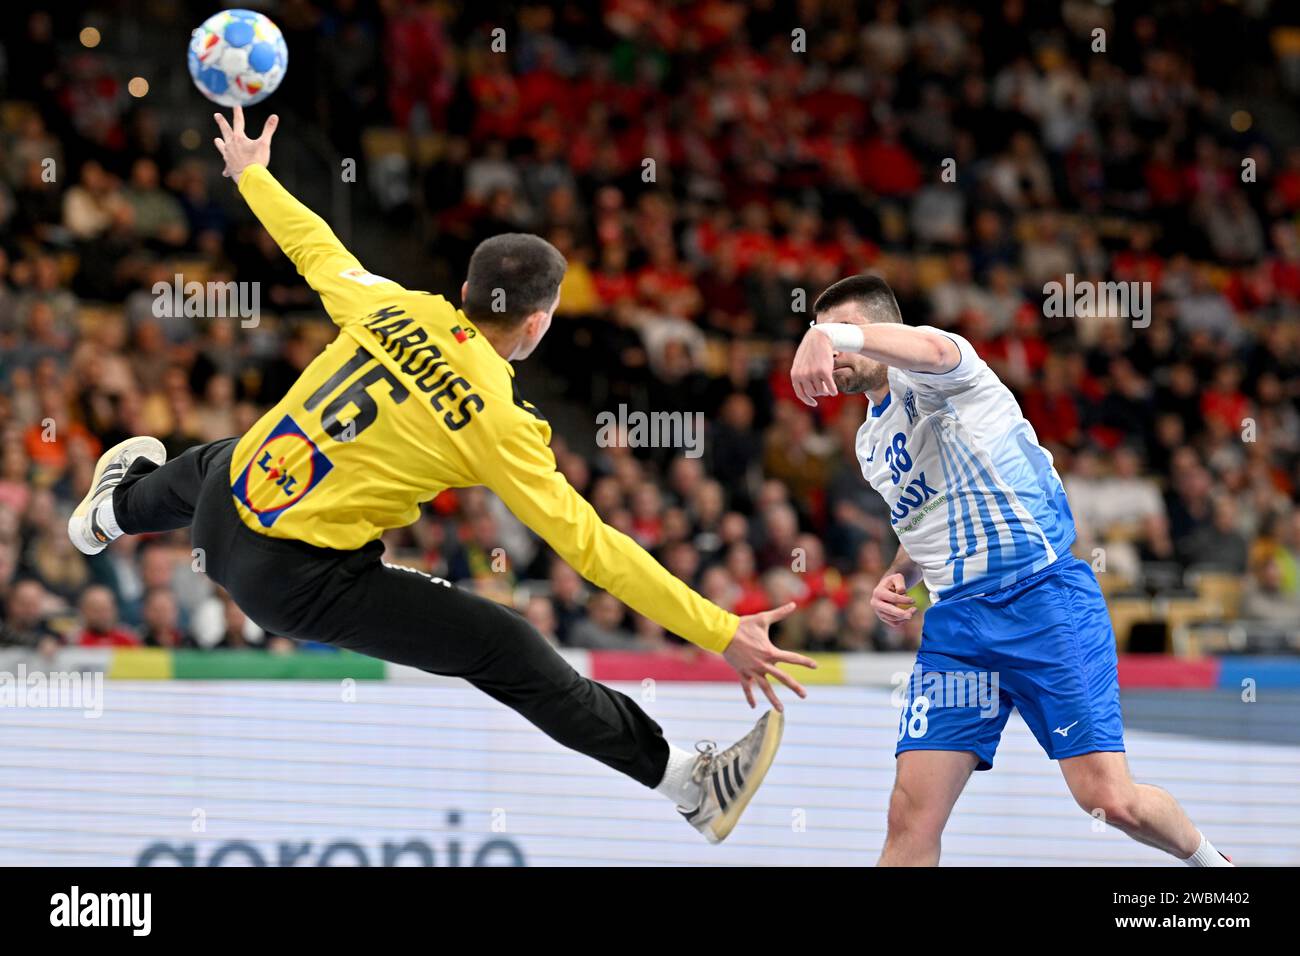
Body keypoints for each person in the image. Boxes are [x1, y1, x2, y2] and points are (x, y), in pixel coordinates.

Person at [68, 108, 815, 844]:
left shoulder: (392, 305)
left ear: (464, 289)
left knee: (234, 452)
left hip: (222, 513)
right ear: (537, 323)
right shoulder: (500, 422)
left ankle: (111, 514)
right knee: (507, 648)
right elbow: (593, 548)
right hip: (293, 583)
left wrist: (254, 176)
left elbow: (314, 247)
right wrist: (719, 630)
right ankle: (688, 784)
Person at [789, 274, 1231, 866]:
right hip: (957, 629)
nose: (835, 350)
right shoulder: (870, 443)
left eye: (844, 334)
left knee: (1108, 799)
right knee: (909, 817)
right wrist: (899, 575)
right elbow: (924, 524)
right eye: (825, 337)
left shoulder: (944, 368)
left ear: (874, 329)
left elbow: (925, 347)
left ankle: (1218, 869)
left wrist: (829, 335)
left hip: (1043, 599)